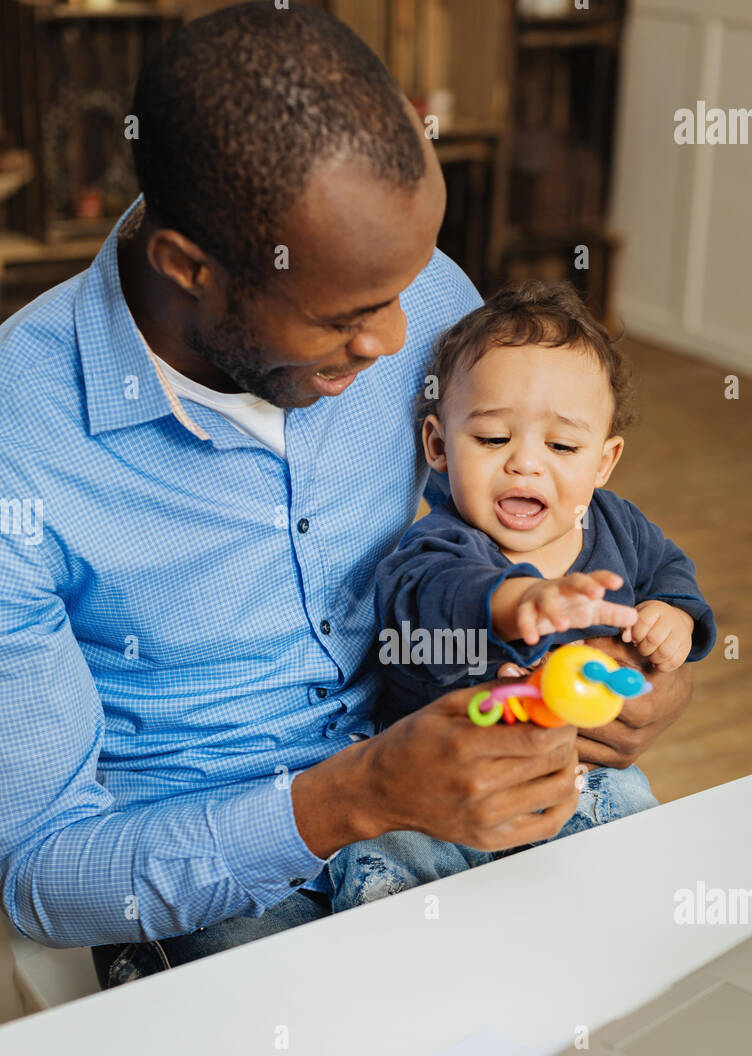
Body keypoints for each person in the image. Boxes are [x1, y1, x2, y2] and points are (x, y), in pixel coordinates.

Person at [0, 4, 693, 990]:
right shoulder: (21, 451)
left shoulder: (411, 298)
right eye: (348, 318)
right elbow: (42, 873)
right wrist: (352, 798)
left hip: (447, 759)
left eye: (410, 285)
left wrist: (631, 660)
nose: (394, 339)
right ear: (188, 269)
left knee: (649, 987)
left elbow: (531, 513)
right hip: (220, 876)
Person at [328, 281, 715, 908]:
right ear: (438, 447)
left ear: (603, 460)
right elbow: (428, 597)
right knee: (382, 881)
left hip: (574, 776)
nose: (525, 464)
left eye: (561, 446)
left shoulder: (618, 526)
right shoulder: (438, 543)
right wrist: (515, 603)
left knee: (639, 843)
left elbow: (671, 569)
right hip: (435, 795)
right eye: (492, 439)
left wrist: (673, 615)